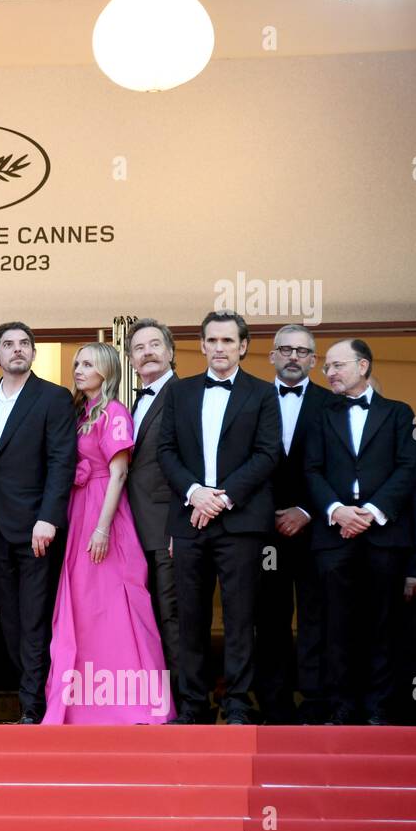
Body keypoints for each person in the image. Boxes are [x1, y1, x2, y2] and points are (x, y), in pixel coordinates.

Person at [157, 311, 280, 725]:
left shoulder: (263, 394)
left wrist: (222, 498)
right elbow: (166, 452)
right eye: (212, 341)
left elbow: (267, 454)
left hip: (239, 521)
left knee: (241, 616)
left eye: (228, 341)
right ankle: (193, 706)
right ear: (203, 345)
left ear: (243, 346)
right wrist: (195, 494)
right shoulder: (181, 393)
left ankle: (239, 704)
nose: (220, 348)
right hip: (189, 519)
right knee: (190, 617)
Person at [42, 344, 172, 724]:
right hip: (79, 511)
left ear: (106, 370)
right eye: (77, 363)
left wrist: (101, 528)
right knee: (82, 609)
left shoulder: (114, 412)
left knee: (112, 608)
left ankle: (127, 704)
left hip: (105, 516)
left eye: (87, 364)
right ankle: (83, 706)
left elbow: (118, 473)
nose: (78, 370)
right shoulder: (79, 412)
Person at [304, 339, 416, 725]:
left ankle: (381, 708)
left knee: (384, 623)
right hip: (334, 536)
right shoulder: (320, 414)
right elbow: (312, 470)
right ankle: (341, 707)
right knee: (336, 624)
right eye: (328, 368)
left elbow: (407, 469)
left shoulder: (399, 414)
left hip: (384, 533)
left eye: (337, 365)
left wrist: (369, 512)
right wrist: (337, 511)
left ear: (363, 366)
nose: (330, 373)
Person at [0, 322, 77, 724]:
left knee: (34, 620)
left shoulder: (53, 398)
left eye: (24, 344)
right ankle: (32, 696)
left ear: (33, 353)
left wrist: (48, 518)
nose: (18, 350)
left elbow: (61, 462)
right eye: (9, 345)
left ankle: (33, 709)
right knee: (10, 621)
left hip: (37, 530)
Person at [254, 325, 331, 724]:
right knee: (268, 618)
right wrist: (267, 513)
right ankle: (274, 705)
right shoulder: (250, 398)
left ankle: (316, 702)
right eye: (285, 349)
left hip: (316, 528)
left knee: (316, 615)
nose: (293, 357)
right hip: (262, 529)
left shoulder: (332, 403)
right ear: (271, 356)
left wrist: (306, 510)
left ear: (313, 360)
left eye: (302, 351)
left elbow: (338, 467)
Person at [125, 319, 182, 700]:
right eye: (139, 348)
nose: (147, 352)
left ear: (171, 352)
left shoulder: (186, 395)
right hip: (132, 530)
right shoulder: (132, 401)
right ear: (130, 359)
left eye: (154, 345)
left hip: (167, 528)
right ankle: (156, 701)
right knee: (144, 619)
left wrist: (181, 527)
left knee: (172, 616)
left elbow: (188, 463)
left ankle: (186, 703)